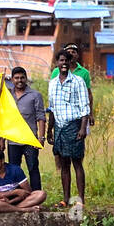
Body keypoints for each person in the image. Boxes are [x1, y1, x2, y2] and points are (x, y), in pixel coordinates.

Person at [46, 48, 90, 211]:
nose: (63, 63)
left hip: (74, 125)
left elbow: (85, 106)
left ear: (70, 62)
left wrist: (83, 128)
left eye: (66, 61)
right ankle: (66, 199)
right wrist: (49, 130)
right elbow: (51, 108)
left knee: (77, 162)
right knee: (63, 164)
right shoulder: (52, 83)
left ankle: (80, 200)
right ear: (57, 63)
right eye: (61, 61)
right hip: (59, 126)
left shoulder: (78, 81)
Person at [5, 66, 44, 192]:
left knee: (33, 167)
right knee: (14, 169)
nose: (19, 80)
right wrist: (1, 139)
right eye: (16, 78)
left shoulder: (35, 95)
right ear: (12, 79)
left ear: (26, 79)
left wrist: (41, 138)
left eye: (22, 77)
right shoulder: (7, 95)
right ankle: (17, 197)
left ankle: (36, 196)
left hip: (30, 139)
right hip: (13, 139)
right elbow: (3, 117)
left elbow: (41, 116)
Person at [0, 147, 46, 212]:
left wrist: (11, 201)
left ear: (2, 161)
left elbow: (27, 191)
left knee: (41, 194)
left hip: (19, 200)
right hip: (2, 202)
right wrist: (15, 191)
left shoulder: (15, 170)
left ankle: (12, 208)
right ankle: (24, 209)